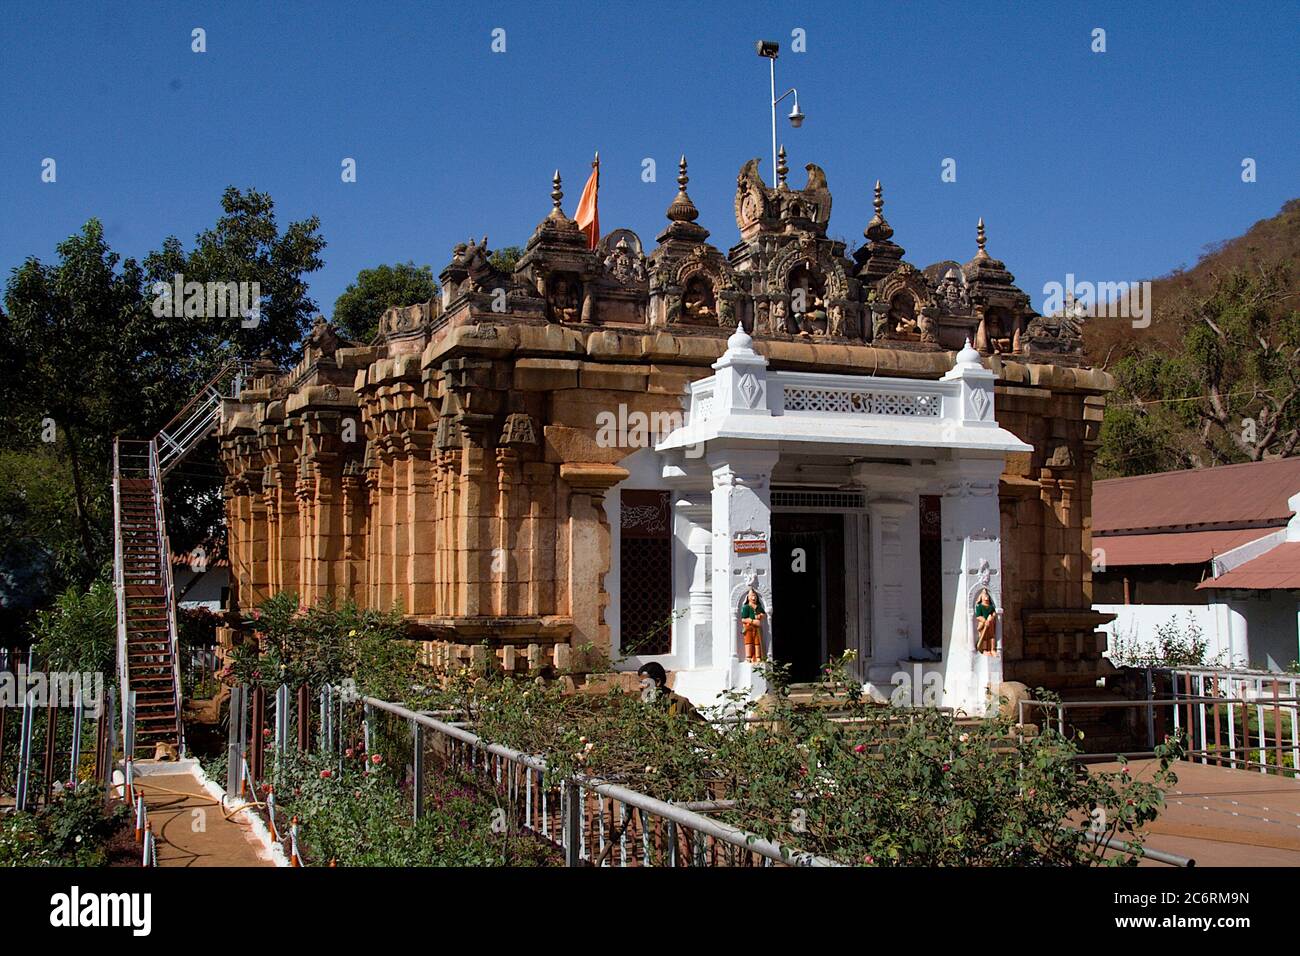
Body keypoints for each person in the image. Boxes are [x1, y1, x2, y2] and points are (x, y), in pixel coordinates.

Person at [637, 662, 702, 722]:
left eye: (645, 682)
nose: (640, 686)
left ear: (658, 682)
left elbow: (704, 729)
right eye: (640, 682)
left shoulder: (680, 703)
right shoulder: (639, 704)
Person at [740, 588, 766, 662]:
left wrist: (760, 616)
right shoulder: (746, 607)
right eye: (752, 596)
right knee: (749, 642)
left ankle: (758, 657)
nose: (753, 598)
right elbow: (743, 619)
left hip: (757, 628)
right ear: (748, 597)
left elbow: (763, 614)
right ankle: (749, 656)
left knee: (757, 642)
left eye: (755, 596)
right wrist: (753, 621)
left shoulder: (758, 607)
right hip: (748, 627)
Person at [974, 587, 998, 656]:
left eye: (987, 596)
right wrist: (984, 621)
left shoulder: (991, 606)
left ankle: (992, 649)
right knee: (984, 637)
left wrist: (992, 617)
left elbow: (994, 613)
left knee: (992, 636)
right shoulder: (980, 606)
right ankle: (984, 650)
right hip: (983, 625)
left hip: (990, 623)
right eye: (984, 596)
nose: (986, 598)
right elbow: (978, 616)